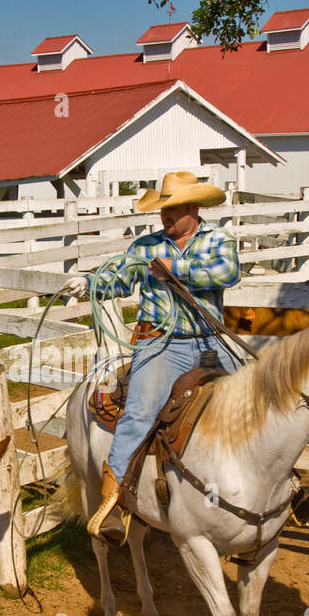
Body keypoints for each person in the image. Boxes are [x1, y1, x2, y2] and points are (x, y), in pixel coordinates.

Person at [62, 171, 243, 546]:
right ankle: (115, 502)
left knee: (257, 399)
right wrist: (91, 281)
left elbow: (227, 273)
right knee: (139, 413)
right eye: (163, 209)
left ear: (193, 208)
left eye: (173, 209)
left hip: (210, 338)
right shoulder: (145, 247)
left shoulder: (217, 240)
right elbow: (121, 279)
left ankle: (282, 488)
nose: (166, 216)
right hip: (162, 344)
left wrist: (174, 269)